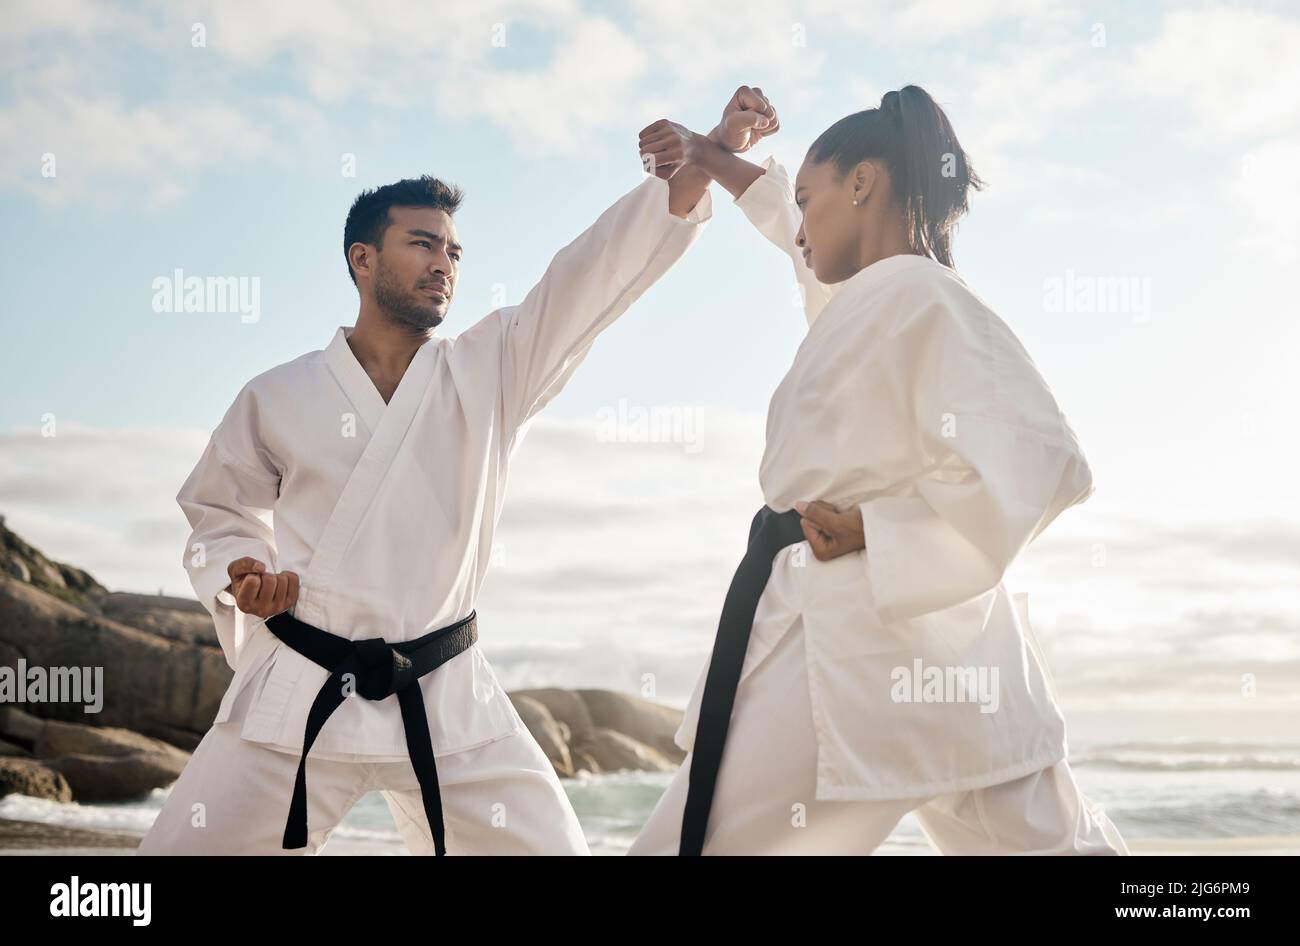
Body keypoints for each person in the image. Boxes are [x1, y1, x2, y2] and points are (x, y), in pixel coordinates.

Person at [138, 118, 714, 855]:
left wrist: (689, 173)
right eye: (422, 244)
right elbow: (216, 509)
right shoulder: (277, 395)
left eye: (453, 250)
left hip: (447, 698)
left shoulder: (492, 370)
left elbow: (590, 278)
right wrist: (239, 573)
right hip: (300, 691)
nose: (444, 263)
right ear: (362, 258)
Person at [629, 85, 1129, 855]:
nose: (797, 227)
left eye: (808, 197)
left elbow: (1043, 456)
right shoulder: (869, 300)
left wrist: (884, 530)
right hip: (956, 660)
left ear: (862, 183)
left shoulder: (923, 296)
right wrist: (711, 156)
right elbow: (788, 234)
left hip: (849, 642)